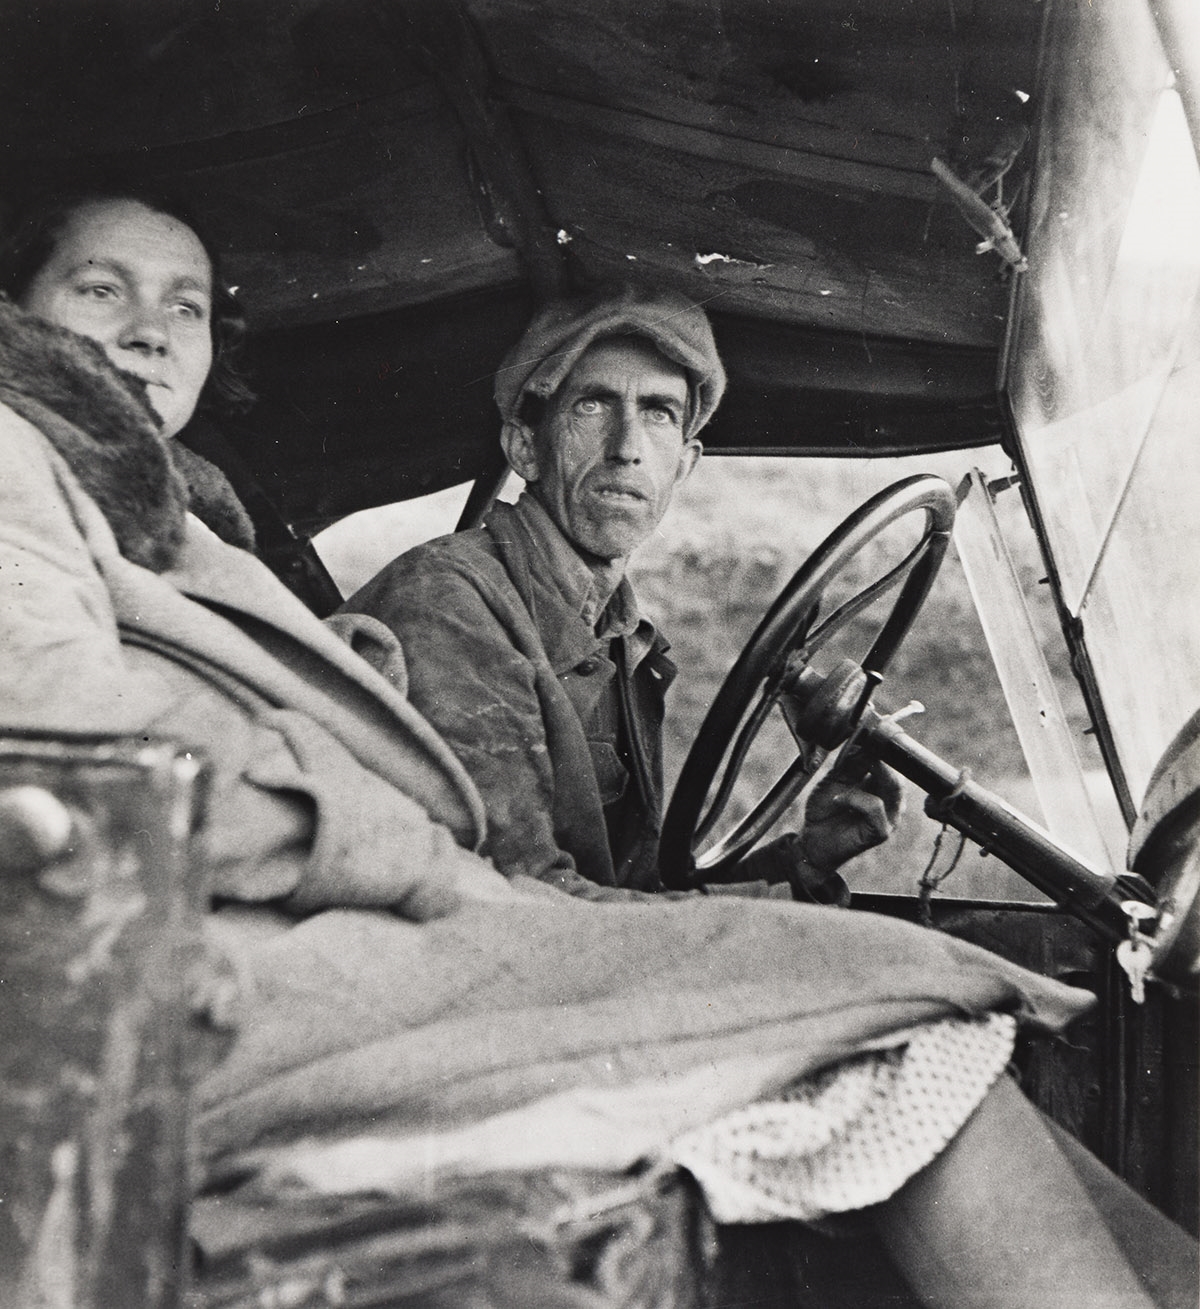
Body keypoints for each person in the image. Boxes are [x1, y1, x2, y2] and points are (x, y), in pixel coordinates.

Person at [0, 184, 1194, 1309]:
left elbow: (616, 886)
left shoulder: (199, 521)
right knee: (902, 1014)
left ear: (688, 461)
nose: (151, 334)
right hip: (223, 994)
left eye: (187, 306)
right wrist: (373, 810)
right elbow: (84, 760)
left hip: (317, 957)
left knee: (925, 1027)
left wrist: (784, 866)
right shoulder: (442, 596)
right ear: (524, 443)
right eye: (101, 292)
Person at [343, 283, 898, 901]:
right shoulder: (448, 607)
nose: (627, 449)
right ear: (525, 447)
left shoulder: (620, 635)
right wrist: (778, 914)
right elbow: (522, 903)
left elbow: (629, 890)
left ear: (683, 465)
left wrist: (803, 865)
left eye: (658, 413)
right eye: (593, 406)